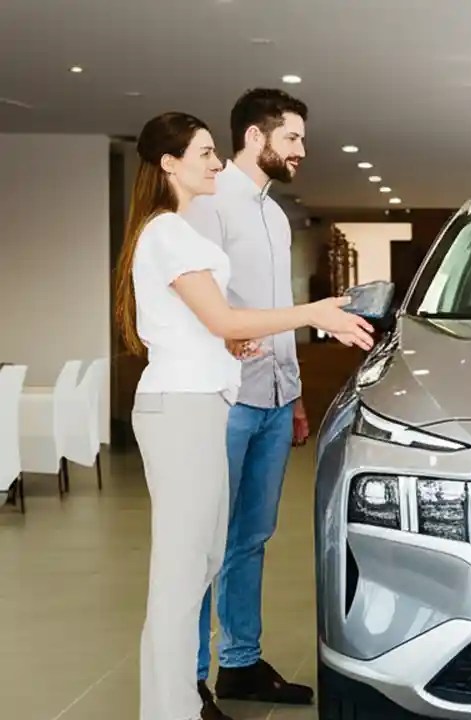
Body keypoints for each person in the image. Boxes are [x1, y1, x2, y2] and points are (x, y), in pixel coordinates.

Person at [113, 111, 373, 720]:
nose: (214, 161)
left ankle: (181, 698)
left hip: (201, 402)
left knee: (202, 557)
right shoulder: (169, 232)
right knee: (183, 571)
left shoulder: (172, 230)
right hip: (181, 409)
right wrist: (315, 313)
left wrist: (230, 343)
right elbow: (226, 317)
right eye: (204, 153)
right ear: (169, 163)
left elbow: (211, 324)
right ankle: (172, 708)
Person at [182, 88, 317, 708]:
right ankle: (189, 679)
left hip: (273, 397)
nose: (301, 150)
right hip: (227, 401)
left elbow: (277, 312)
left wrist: (293, 394)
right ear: (255, 138)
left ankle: (240, 663)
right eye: (291, 138)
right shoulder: (209, 205)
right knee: (208, 541)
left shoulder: (275, 214)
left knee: (251, 537)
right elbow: (206, 306)